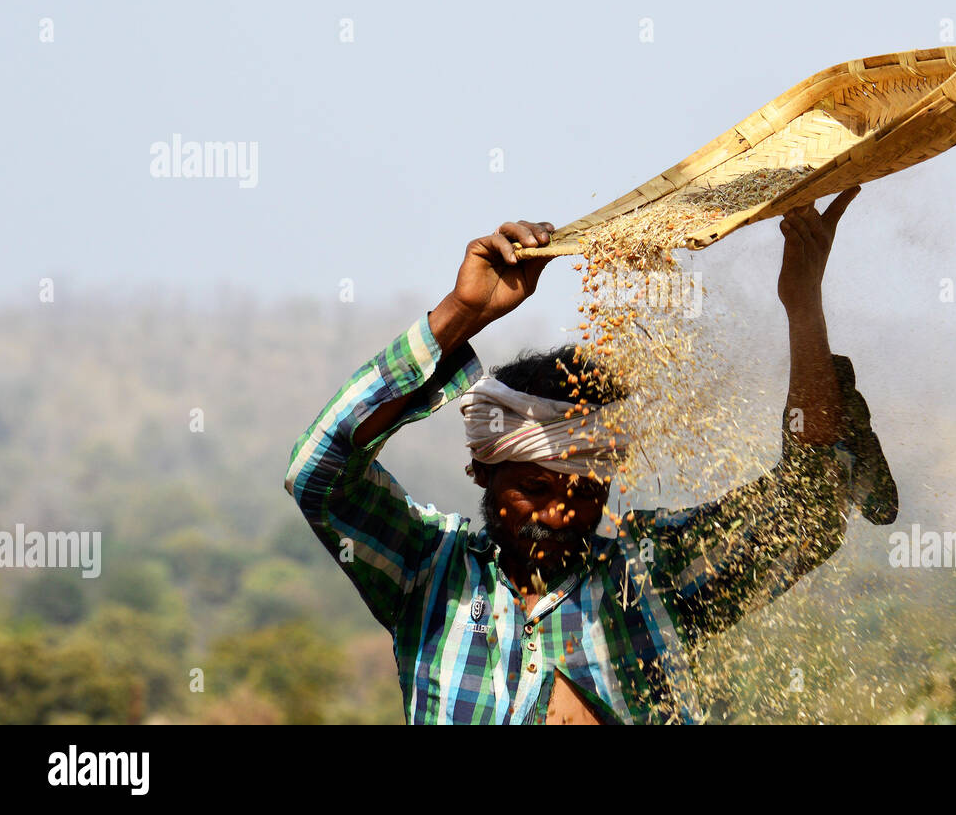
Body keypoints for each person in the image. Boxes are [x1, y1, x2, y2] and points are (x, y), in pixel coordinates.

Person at [283, 187, 897, 724]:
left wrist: (802, 303)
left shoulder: (651, 575)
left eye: (582, 491)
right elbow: (317, 473)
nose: (556, 513)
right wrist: (461, 313)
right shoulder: (429, 573)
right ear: (483, 471)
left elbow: (808, 507)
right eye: (534, 487)